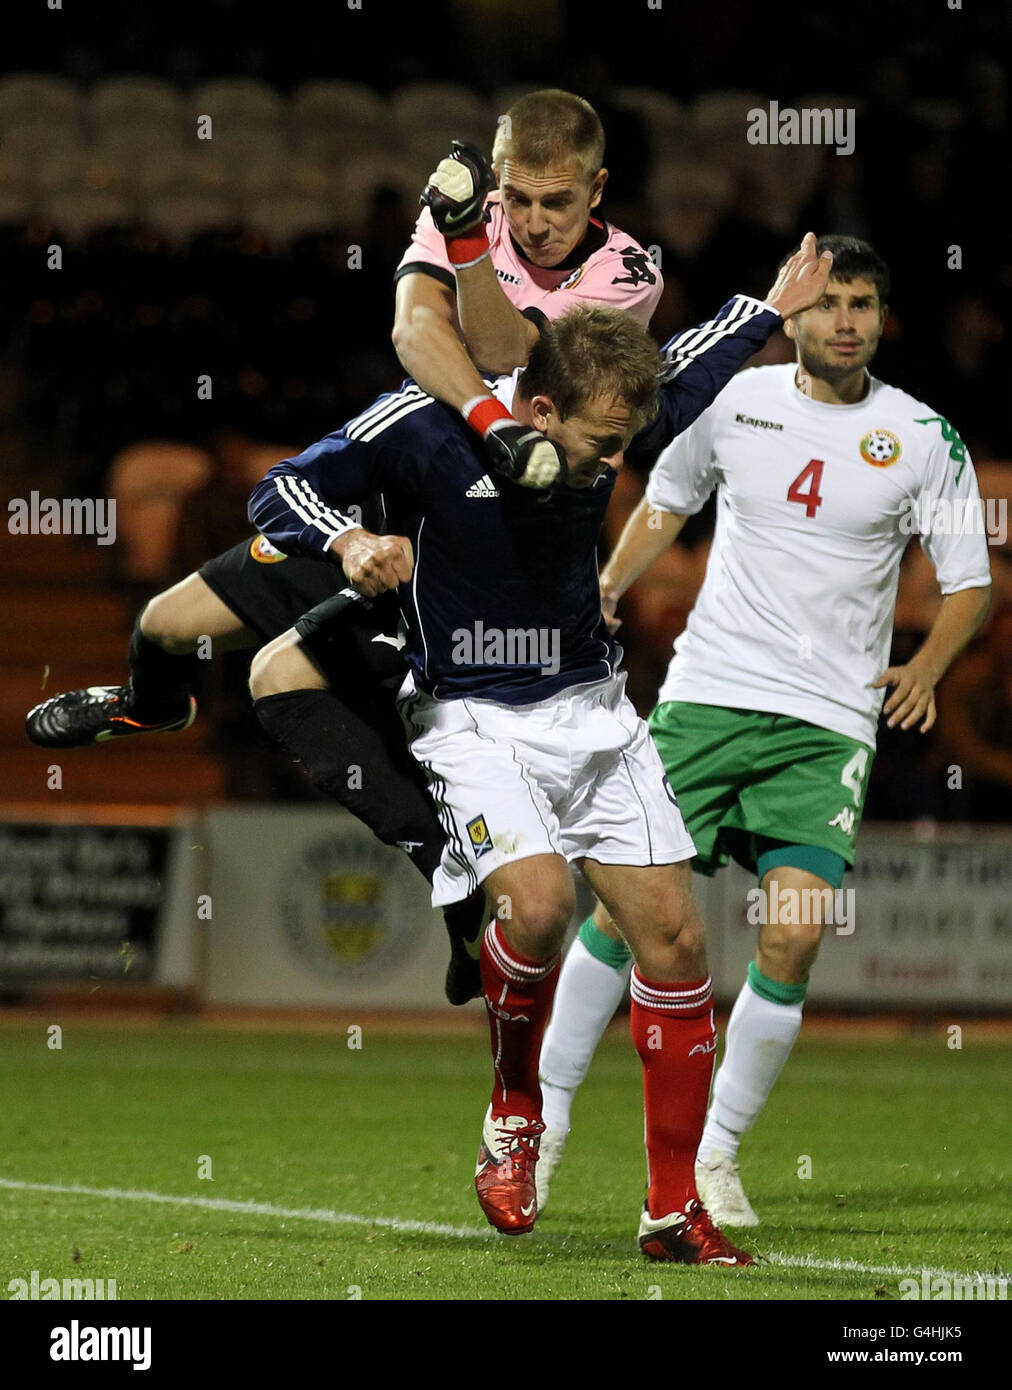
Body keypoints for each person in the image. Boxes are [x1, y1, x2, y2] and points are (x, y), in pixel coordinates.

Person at [23, 91, 662, 1001]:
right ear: (496, 174)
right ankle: (153, 706)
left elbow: (500, 344)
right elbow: (414, 335)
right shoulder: (458, 205)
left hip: (471, 549)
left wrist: (467, 254)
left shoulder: (626, 274)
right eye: (514, 198)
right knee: (166, 623)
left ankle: (457, 875)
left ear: (597, 190)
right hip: (386, 491)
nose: (532, 222)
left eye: (555, 203)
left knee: (310, 681)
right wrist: (484, 399)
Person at [249, 305, 760, 1263]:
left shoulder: (601, 419)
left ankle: (671, 1211)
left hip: (595, 710)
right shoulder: (424, 427)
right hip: (472, 717)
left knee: (680, 939)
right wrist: (349, 544)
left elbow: (691, 367)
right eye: (599, 444)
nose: (611, 460)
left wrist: (768, 304)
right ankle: (515, 1108)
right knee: (537, 907)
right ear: (537, 407)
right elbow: (279, 490)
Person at [534, 237, 993, 1226]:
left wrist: (925, 665)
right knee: (623, 916)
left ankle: (713, 1157)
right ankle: (543, 1120)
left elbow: (970, 584)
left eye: (862, 305)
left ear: (883, 320)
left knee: (791, 936)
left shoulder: (924, 435)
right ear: (795, 315)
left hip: (826, 723)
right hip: (705, 698)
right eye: (828, 303)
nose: (843, 321)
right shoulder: (732, 401)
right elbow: (667, 498)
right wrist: (610, 583)